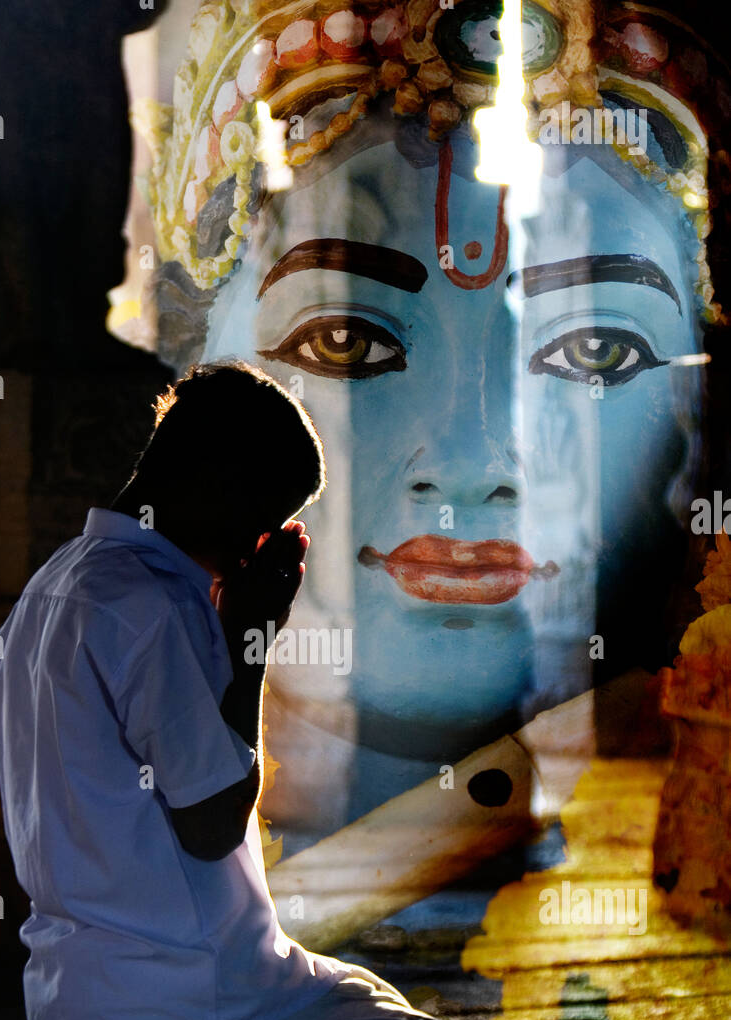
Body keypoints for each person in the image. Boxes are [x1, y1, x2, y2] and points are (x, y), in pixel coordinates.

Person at [108, 0, 728, 848]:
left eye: (593, 351)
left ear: (700, 414)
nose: (469, 465)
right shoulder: (105, 623)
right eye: (343, 340)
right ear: (193, 365)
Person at [0, 360, 485, 1020]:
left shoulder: (45, 593)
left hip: (69, 1015)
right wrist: (250, 642)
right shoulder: (154, 601)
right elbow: (213, 822)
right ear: (214, 479)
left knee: (366, 996)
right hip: (189, 1011)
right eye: (260, 515)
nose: (256, 545)